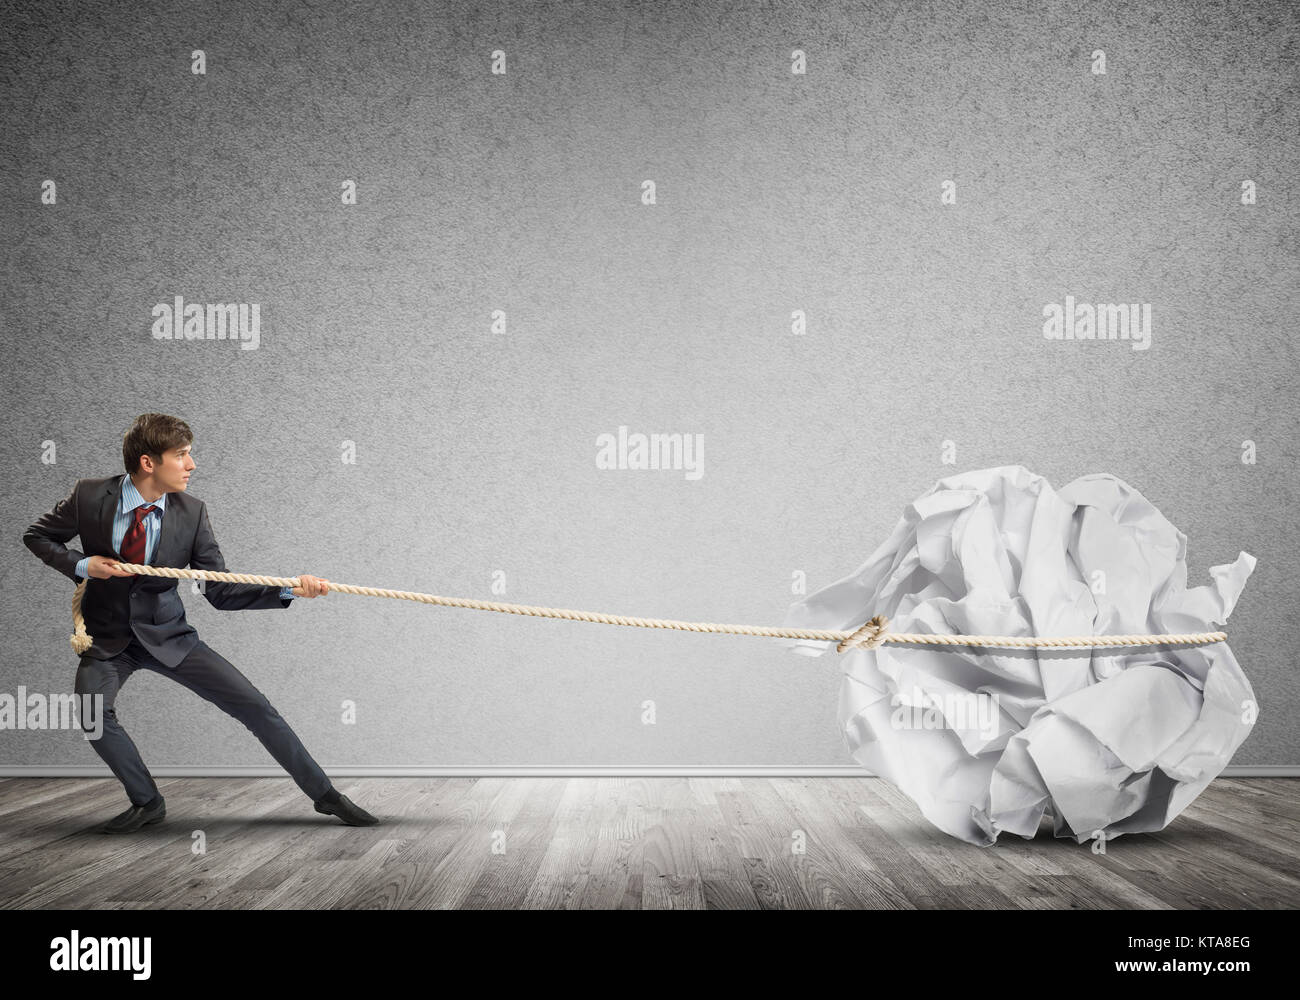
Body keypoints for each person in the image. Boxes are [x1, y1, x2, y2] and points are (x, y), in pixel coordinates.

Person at [22, 412, 379, 833]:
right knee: (91, 712)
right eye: (183, 455)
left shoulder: (191, 513)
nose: (192, 465)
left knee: (257, 708)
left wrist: (289, 590)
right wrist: (82, 564)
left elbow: (221, 591)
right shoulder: (88, 496)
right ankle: (148, 802)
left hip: (169, 635)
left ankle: (326, 796)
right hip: (108, 639)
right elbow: (37, 536)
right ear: (148, 463)